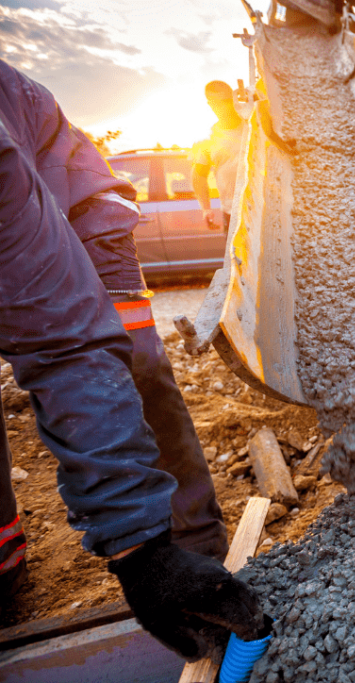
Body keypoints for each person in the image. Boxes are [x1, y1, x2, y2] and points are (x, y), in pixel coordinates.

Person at [0, 59, 262, 660]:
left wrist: (141, 553)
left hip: (76, 210)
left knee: (132, 373)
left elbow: (64, 343)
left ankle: (197, 550)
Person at [192, 80, 245, 234]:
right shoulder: (208, 139)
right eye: (216, 103)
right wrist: (206, 209)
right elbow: (198, 175)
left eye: (226, 101)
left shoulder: (252, 125)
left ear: (234, 98)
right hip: (232, 213)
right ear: (210, 105)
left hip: (262, 207)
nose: (223, 107)